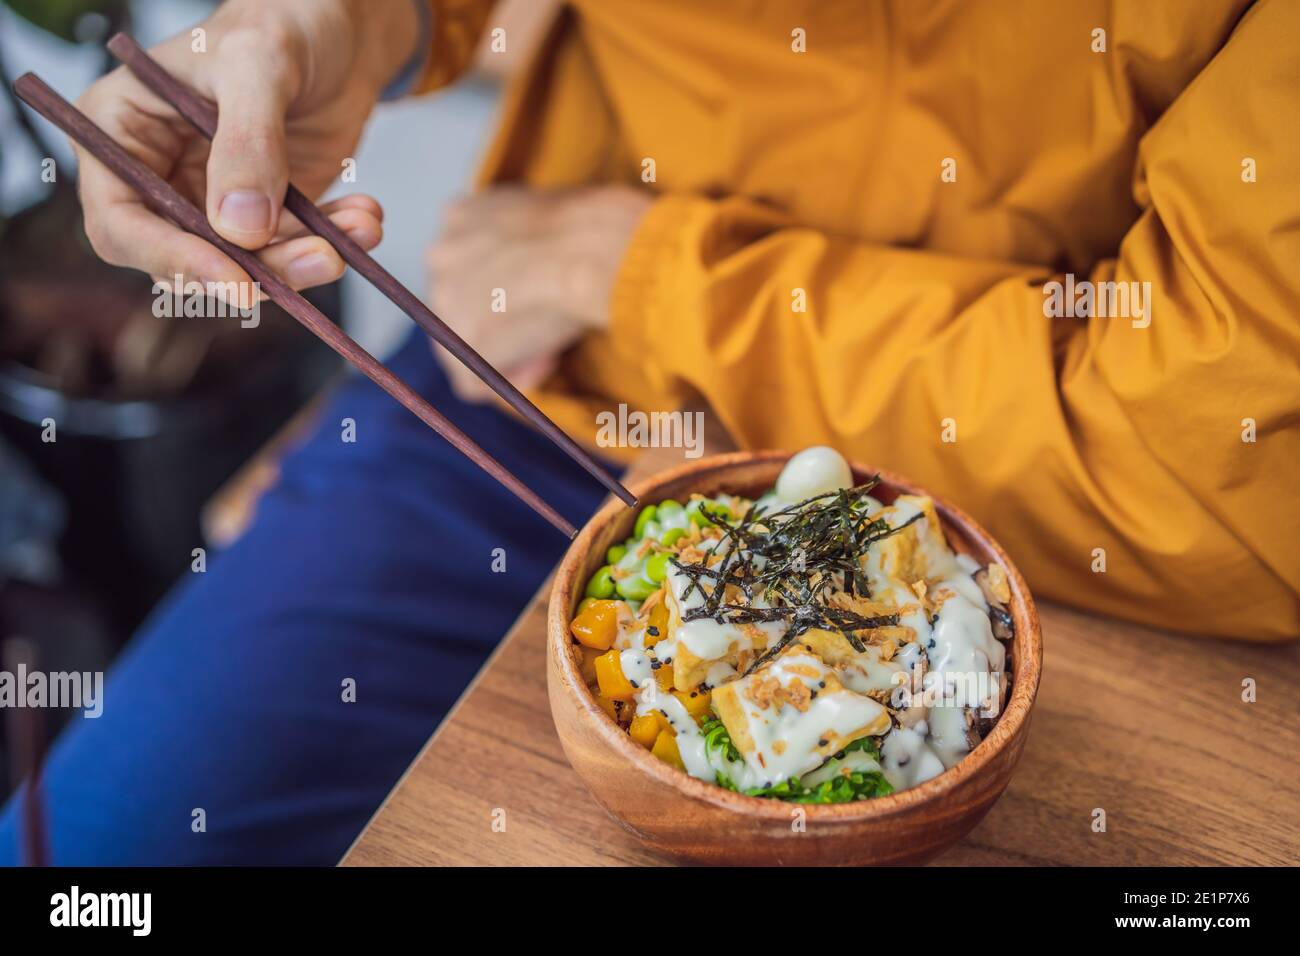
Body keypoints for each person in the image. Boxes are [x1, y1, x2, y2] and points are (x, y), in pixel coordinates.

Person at [2, 0, 1296, 865]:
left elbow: (1235, 456)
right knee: (99, 846)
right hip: (542, 370)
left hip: (1029, 504)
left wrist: (642, 269)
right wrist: (349, 20)